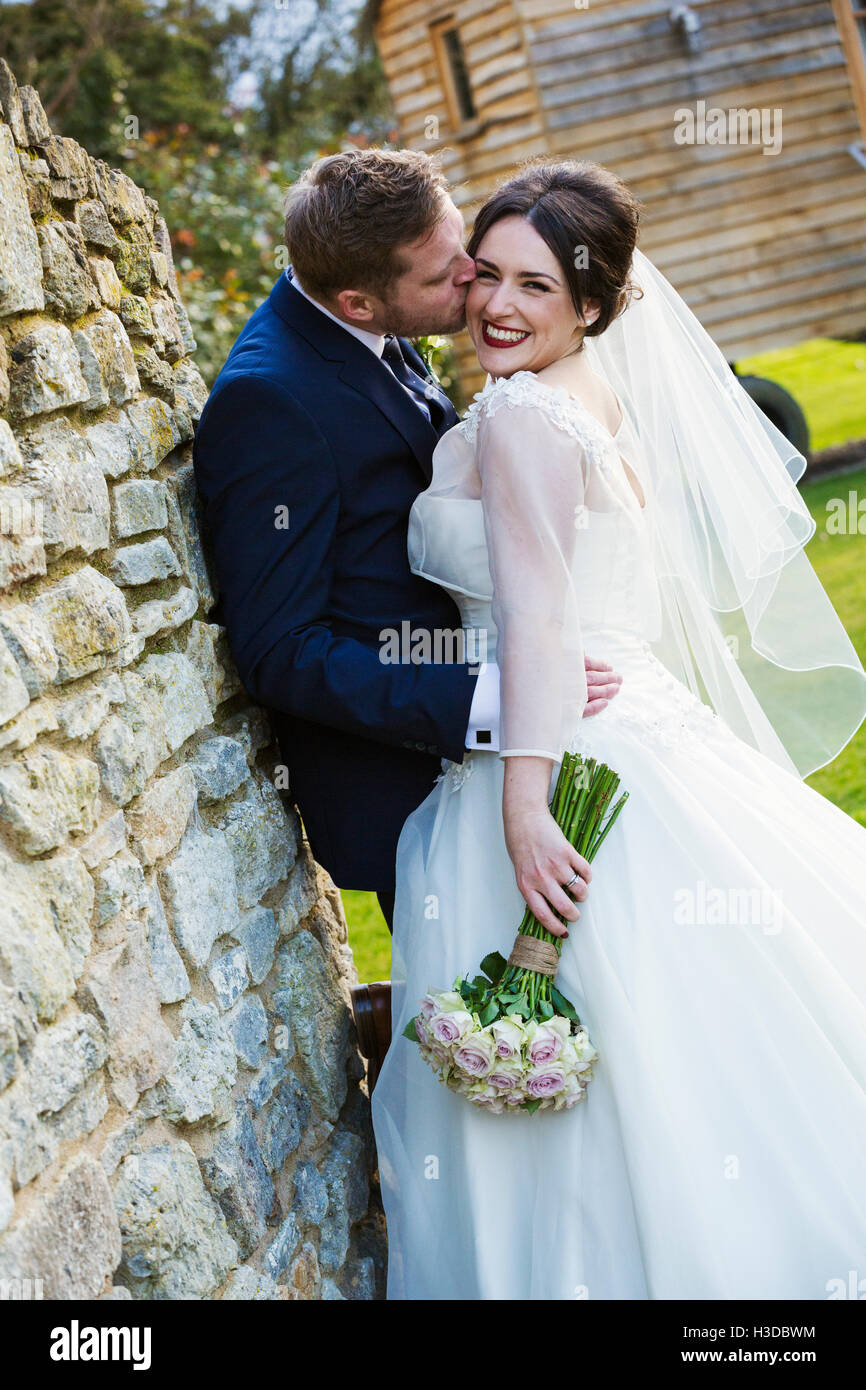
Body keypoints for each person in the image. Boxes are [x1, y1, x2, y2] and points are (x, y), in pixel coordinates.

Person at [370, 159, 866, 1299]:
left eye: (535, 287)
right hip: (628, 716)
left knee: (624, 1042)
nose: (497, 305)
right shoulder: (583, 390)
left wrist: (524, 803)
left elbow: (540, 619)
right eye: (485, 274)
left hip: (560, 752)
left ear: (591, 304)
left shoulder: (524, 417)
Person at [192, 150, 620, 1051]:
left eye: (464, 245)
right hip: (413, 770)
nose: (476, 279)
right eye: (451, 271)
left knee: (587, 984)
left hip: (524, 719)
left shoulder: (375, 323)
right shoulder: (271, 402)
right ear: (360, 303)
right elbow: (282, 648)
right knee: (493, 1018)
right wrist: (485, 699)